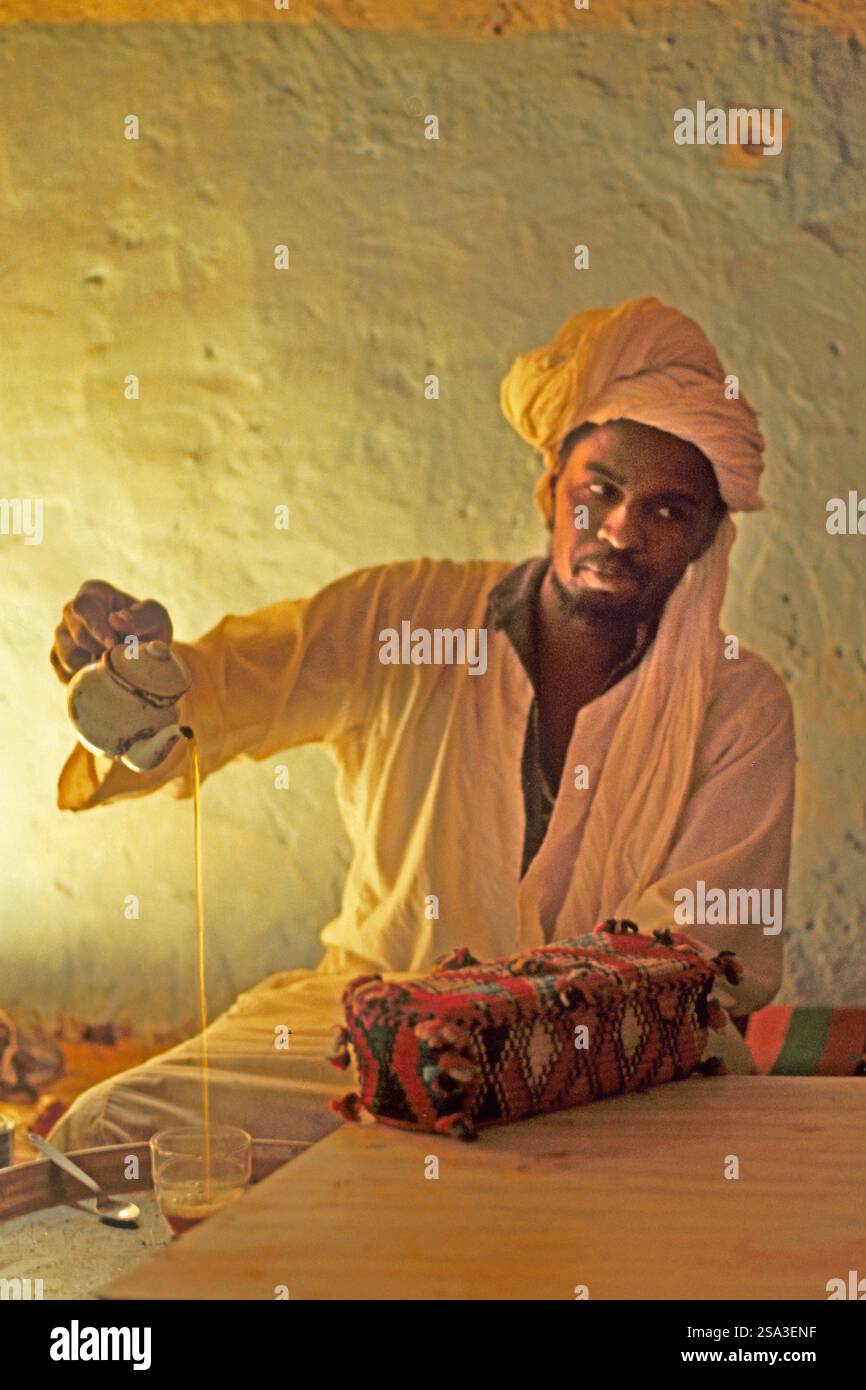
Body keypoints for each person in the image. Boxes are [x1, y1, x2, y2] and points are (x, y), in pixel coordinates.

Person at [47, 296, 796, 1150]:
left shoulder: (740, 704)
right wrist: (131, 676)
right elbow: (214, 696)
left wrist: (507, 1049)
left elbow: (696, 963)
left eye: (668, 511)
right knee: (111, 1134)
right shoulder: (402, 616)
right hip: (362, 1038)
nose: (621, 529)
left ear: (705, 540)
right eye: (602, 491)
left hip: (613, 1069)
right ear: (552, 488)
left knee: (671, 1197)